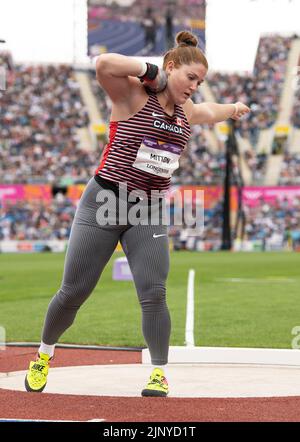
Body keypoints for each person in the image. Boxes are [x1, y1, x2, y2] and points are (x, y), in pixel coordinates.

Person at [25, 30, 250, 397]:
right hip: (105, 202)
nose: (195, 87)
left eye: (201, 82)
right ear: (170, 67)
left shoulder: (186, 111)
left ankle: (158, 372)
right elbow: (103, 64)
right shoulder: (132, 94)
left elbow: (209, 111)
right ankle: (43, 355)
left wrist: (234, 108)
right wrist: (151, 73)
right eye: (190, 78)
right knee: (74, 291)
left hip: (149, 208)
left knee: (154, 291)